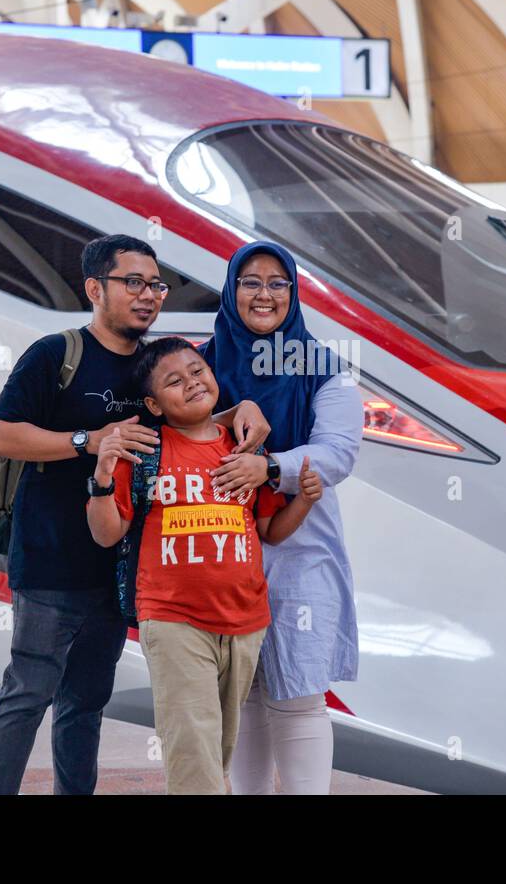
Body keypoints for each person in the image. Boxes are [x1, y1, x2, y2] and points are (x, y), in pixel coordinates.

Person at [0, 235, 268, 795]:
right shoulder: (56, 354)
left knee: (85, 703)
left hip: (119, 564)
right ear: (95, 288)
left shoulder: (156, 367)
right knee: (28, 692)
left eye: (155, 284)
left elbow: (191, 421)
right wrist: (91, 439)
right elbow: (0, 436)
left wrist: (245, 408)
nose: (148, 295)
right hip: (49, 557)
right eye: (131, 282)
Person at [86, 336, 323, 794]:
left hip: (245, 621)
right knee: (192, 751)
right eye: (174, 382)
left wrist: (307, 501)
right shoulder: (145, 452)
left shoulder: (244, 449)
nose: (192, 383)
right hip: (174, 619)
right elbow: (106, 533)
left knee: (217, 751)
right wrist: (100, 478)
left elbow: (270, 531)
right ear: (154, 403)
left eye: (198, 371)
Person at [202, 241, 364, 795]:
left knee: (298, 692)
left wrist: (265, 467)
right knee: (243, 692)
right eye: (250, 282)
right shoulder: (200, 365)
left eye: (278, 283)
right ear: (231, 290)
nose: (264, 294)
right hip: (218, 545)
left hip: (301, 551)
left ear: (293, 294)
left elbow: (337, 453)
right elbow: (172, 431)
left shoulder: (326, 370)